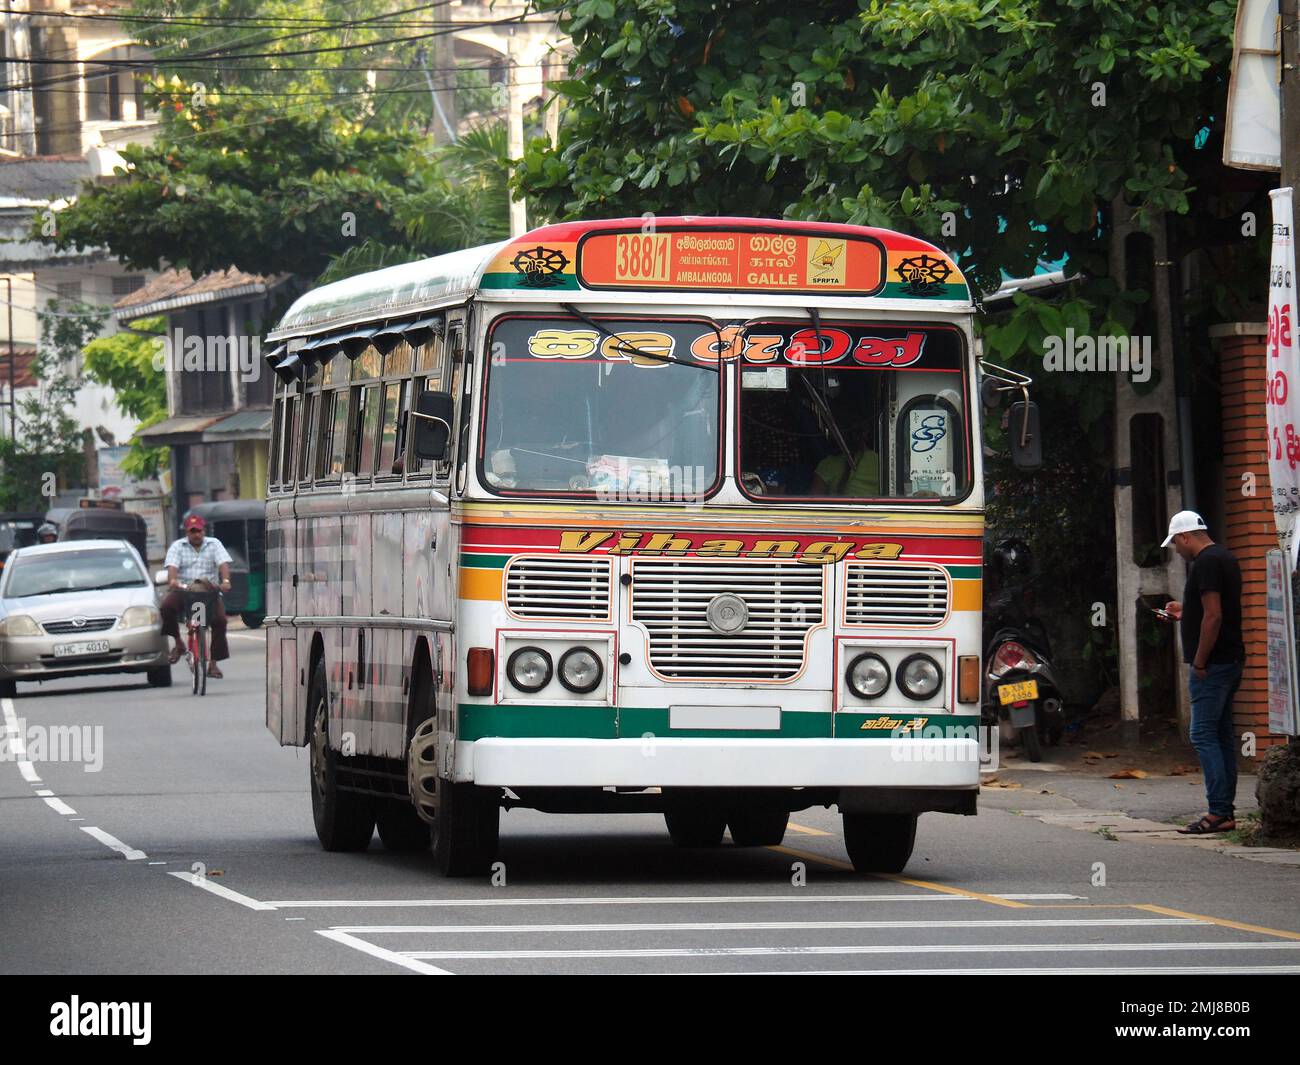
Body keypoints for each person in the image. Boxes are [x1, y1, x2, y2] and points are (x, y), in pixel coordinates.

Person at [1159, 510, 1245, 834]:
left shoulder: (1206, 562)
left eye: (1176, 545)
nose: (1177, 551)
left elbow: (1214, 617)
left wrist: (1199, 661)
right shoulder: (1226, 557)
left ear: (1185, 537)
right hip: (1231, 659)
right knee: (1221, 734)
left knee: (1202, 734)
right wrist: (1185, 612)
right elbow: (1209, 611)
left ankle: (1218, 812)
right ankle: (1225, 811)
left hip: (1213, 664)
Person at [159, 514, 232, 678]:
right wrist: (172, 580)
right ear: (187, 532)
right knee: (166, 607)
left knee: (220, 621)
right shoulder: (177, 546)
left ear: (203, 530)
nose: (196, 534)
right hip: (185, 590)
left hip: (209, 591)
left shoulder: (214, 544)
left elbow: (223, 564)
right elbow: (172, 567)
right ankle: (178, 643)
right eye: (192, 531)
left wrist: (225, 581)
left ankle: (213, 663)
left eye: (199, 531)